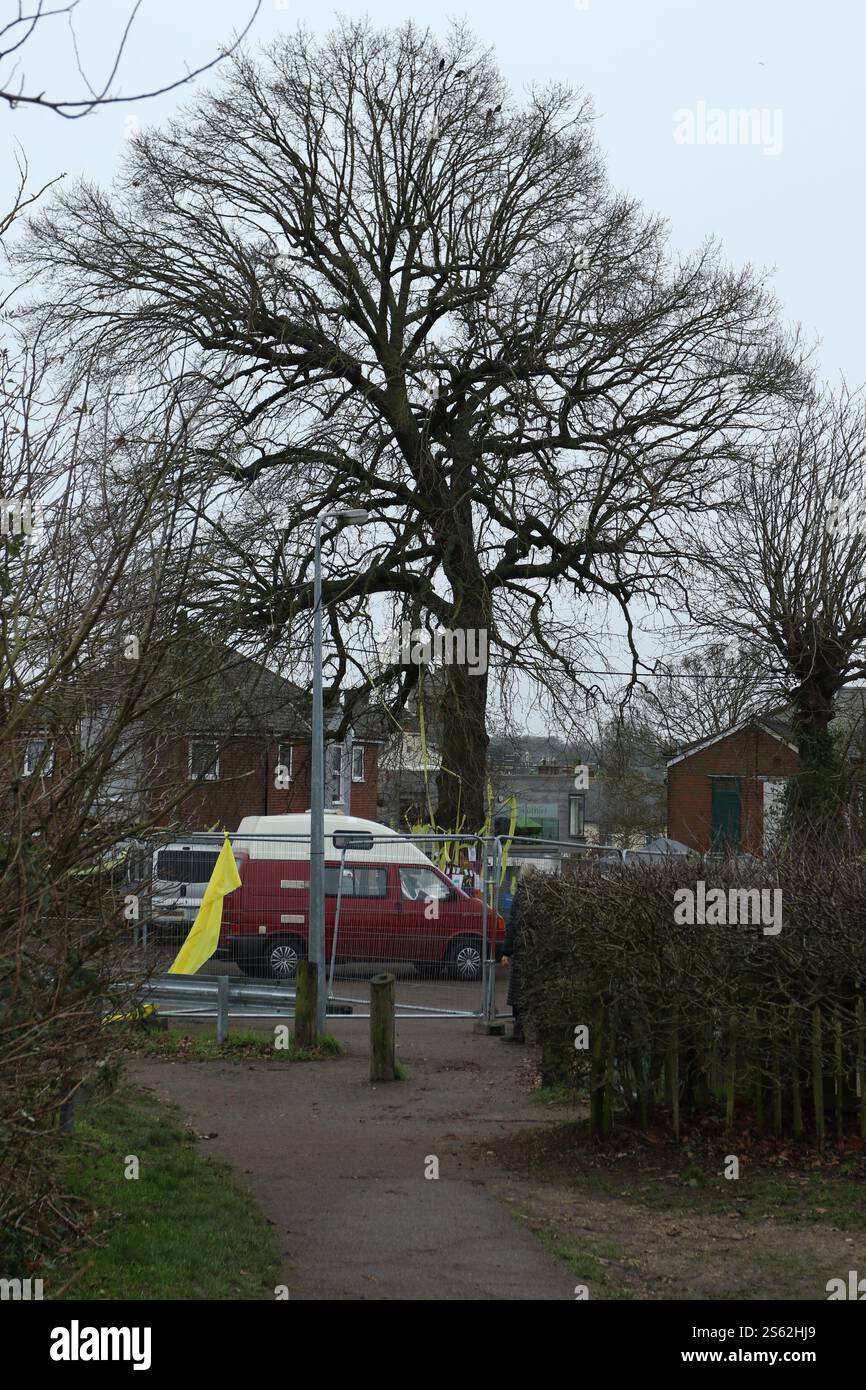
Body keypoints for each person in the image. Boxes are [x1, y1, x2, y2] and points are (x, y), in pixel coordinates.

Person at [500, 866, 533, 1044]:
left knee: (517, 991)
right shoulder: (539, 894)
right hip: (533, 949)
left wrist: (506, 952)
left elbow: (513, 924)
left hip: (522, 949)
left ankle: (519, 1031)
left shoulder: (521, 895)